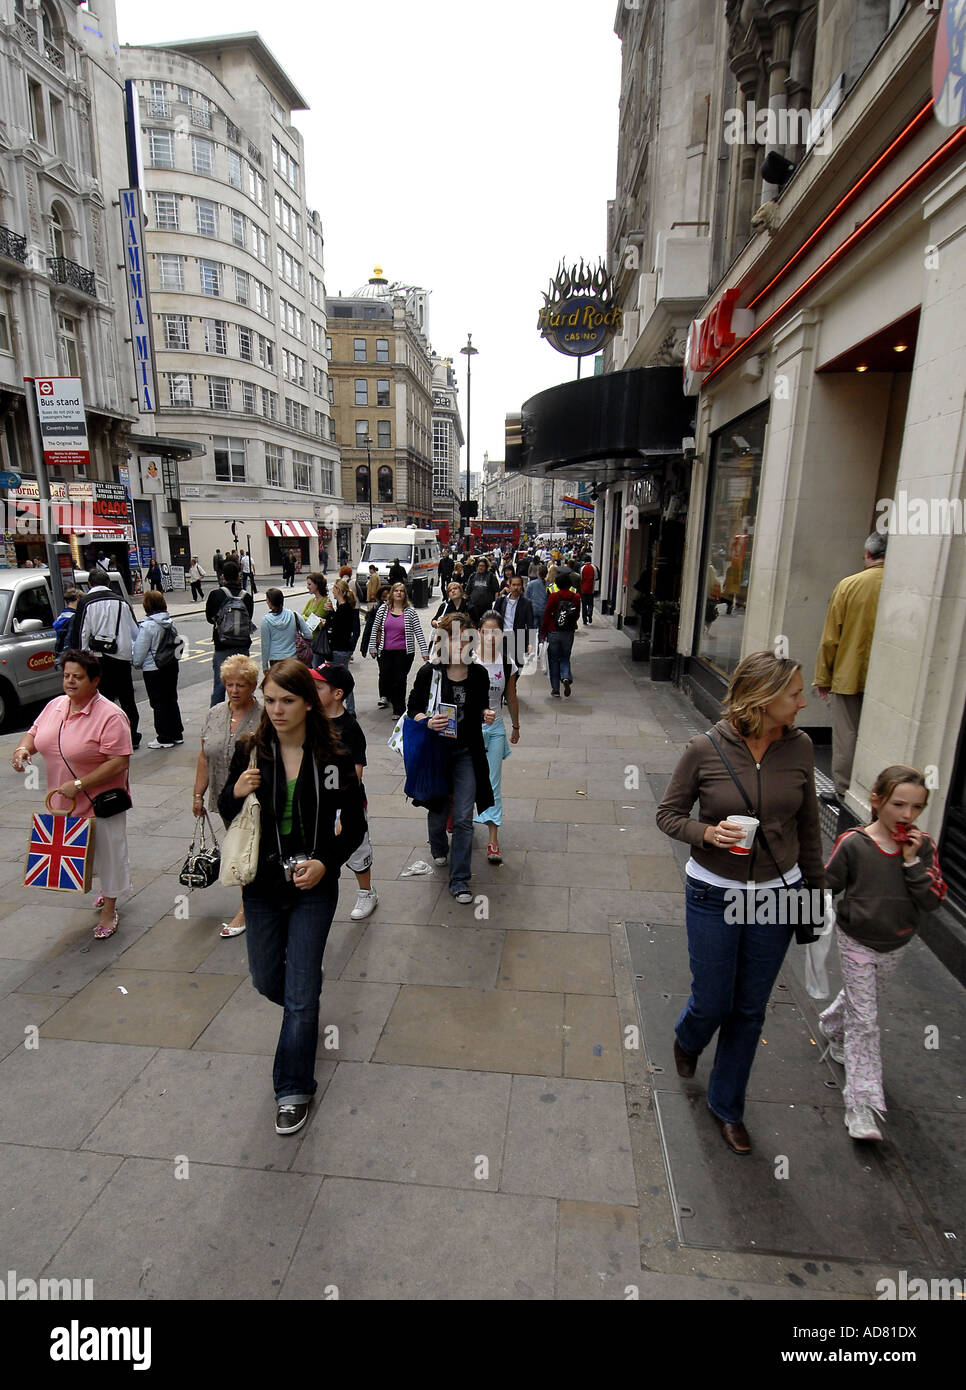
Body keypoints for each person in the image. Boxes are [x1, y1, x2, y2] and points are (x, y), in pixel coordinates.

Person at [655, 651, 825, 1155]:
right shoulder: (704, 748)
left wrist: (814, 894)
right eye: (795, 693)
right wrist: (707, 832)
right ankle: (688, 1039)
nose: (803, 700)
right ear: (765, 699)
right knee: (712, 1000)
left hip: (777, 894)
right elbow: (668, 815)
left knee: (749, 1008)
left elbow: (810, 827)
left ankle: (727, 1106)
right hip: (713, 891)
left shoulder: (800, 749)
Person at [219, 659, 366, 1136]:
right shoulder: (252, 751)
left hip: (313, 886)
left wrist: (327, 861)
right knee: (267, 980)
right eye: (271, 700)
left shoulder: (333, 757)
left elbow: (355, 825)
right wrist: (234, 793)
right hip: (261, 885)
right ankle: (304, 1007)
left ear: (307, 702)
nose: (277, 709)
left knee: (301, 997)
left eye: (287, 700)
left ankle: (293, 1088)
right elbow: (231, 815)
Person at [819, 765, 946, 1142]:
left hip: (898, 940)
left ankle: (830, 1025)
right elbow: (829, 881)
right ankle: (861, 1107)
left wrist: (910, 863)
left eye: (916, 807)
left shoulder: (923, 847)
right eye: (898, 804)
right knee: (867, 1021)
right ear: (877, 801)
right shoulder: (854, 843)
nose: (907, 815)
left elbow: (933, 900)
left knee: (865, 1002)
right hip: (856, 937)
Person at [13, 649, 132, 939]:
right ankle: (105, 890)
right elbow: (35, 731)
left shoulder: (111, 716)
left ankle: (110, 909)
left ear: (95, 680)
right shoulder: (55, 705)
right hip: (64, 802)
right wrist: (22, 749)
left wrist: (80, 785)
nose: (70, 682)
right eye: (66, 676)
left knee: (109, 854)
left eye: (78, 677)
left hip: (99, 801)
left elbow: (120, 760)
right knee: (83, 854)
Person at [408, 614, 496, 903]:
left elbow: (480, 707)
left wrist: (485, 714)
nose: (460, 643)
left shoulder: (479, 675)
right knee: (437, 811)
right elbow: (413, 709)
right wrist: (427, 721)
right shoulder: (429, 674)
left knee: (462, 819)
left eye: (465, 638)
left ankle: (460, 880)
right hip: (436, 752)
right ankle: (438, 847)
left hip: (467, 752)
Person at [813, 532, 887, 804]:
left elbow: (831, 637)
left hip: (848, 674)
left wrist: (823, 677)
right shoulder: (898, 586)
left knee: (847, 735)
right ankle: (878, 792)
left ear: (867, 554)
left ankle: (844, 790)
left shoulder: (849, 585)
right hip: (886, 680)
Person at [193, 653, 261, 938]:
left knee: (249, 850)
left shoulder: (264, 715)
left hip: (253, 800)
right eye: (229, 684)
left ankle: (248, 909)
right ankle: (254, 903)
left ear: (252, 686)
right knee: (240, 849)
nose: (233, 690)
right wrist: (198, 794)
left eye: (240, 685)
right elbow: (204, 756)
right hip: (224, 798)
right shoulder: (215, 713)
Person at [313, 664, 378, 921]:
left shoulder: (349, 727)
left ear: (338, 693)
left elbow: (356, 770)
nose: (311, 691)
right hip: (316, 800)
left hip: (345, 802)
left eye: (318, 687)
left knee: (357, 847)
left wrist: (340, 806)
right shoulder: (310, 720)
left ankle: (366, 892)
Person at [71, 568, 142, 749]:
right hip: (122, 658)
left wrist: (82, 659)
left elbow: (81, 634)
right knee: (127, 699)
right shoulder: (122, 602)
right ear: (108, 583)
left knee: (102, 700)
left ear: (90, 584)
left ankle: (107, 738)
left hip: (98, 659)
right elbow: (136, 632)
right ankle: (131, 736)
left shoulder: (86, 602)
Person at [473, 611, 521, 866]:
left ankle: (493, 839)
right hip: (470, 729)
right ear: (479, 632)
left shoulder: (506, 663)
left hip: (496, 730)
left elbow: (511, 696)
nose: (491, 637)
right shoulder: (468, 659)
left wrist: (515, 725)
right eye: (486, 631)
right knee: (467, 780)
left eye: (496, 632)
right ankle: (461, 825)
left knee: (493, 783)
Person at [132, 590, 184, 749]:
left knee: (158, 703)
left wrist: (136, 663)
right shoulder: (170, 621)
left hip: (154, 668)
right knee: (171, 698)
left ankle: (164, 737)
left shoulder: (147, 626)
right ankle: (176, 734)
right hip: (170, 664)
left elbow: (140, 652)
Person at [371, 581, 428, 715]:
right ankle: (391, 698)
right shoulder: (383, 609)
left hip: (404, 652)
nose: (399, 593)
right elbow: (375, 628)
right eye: (396, 590)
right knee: (387, 677)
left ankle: (399, 709)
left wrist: (424, 651)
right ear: (392, 593)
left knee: (400, 680)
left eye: (401, 591)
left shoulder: (410, 612)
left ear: (405, 595)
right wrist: (372, 647)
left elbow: (418, 631)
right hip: (385, 651)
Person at [206, 560, 255, 706]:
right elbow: (249, 618)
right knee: (243, 684)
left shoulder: (215, 594)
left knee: (220, 686)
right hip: (242, 646)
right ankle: (244, 715)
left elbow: (210, 617)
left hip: (222, 646)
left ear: (223, 577)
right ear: (238, 576)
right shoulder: (246, 597)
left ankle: (215, 719)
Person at [540, 570, 580, 698]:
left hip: (553, 631)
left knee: (553, 659)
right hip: (568, 632)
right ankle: (566, 677)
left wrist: (543, 632)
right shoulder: (576, 597)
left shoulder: (554, 596)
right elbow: (577, 614)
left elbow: (546, 615)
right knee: (565, 656)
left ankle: (555, 689)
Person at [323, 582, 361, 710]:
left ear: (338, 590)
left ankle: (346, 708)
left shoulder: (344, 608)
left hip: (339, 649)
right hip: (342, 649)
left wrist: (329, 616)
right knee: (343, 679)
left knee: (339, 681)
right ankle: (349, 708)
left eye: (334, 589)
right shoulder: (344, 607)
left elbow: (337, 628)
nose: (332, 591)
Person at [261, 588, 311, 671]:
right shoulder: (294, 615)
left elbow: (265, 646)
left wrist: (265, 667)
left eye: (267, 599)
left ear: (270, 602)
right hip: (293, 658)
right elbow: (308, 635)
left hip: (275, 661)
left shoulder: (266, 621)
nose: (266, 601)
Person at [493, 574, 535, 668]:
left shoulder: (526, 603)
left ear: (522, 586)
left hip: (519, 638)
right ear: (509, 585)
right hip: (503, 638)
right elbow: (494, 619)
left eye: (519, 585)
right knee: (503, 666)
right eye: (514, 585)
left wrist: (530, 643)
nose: (516, 588)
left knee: (517, 666)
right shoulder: (501, 601)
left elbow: (530, 624)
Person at [465, 557, 499, 625]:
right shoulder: (473, 576)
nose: (481, 567)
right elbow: (467, 591)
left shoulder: (491, 576)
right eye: (479, 566)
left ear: (486, 567)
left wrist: (495, 604)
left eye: (483, 566)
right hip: (474, 607)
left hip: (486, 606)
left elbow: (496, 591)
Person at [360, 584, 389, 661]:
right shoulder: (375, 611)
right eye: (383, 597)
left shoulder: (398, 610)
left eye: (388, 597)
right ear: (379, 598)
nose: (386, 600)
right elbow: (368, 629)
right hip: (380, 643)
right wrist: (364, 647)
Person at [53, 587, 80, 666]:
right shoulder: (74, 617)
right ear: (78, 599)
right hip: (72, 654)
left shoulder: (61, 616)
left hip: (62, 654)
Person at [525, 564, 549, 635]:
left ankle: (532, 643)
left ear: (538, 573)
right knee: (542, 630)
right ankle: (541, 643)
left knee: (532, 630)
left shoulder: (531, 584)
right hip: (544, 610)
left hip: (533, 609)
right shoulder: (550, 585)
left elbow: (526, 598)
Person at [580, 556, 597, 626]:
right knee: (590, 603)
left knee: (584, 605)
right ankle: (590, 612)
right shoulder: (594, 567)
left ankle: (584, 620)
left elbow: (580, 578)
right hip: (591, 589)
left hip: (583, 589)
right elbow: (596, 577)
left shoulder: (582, 568)